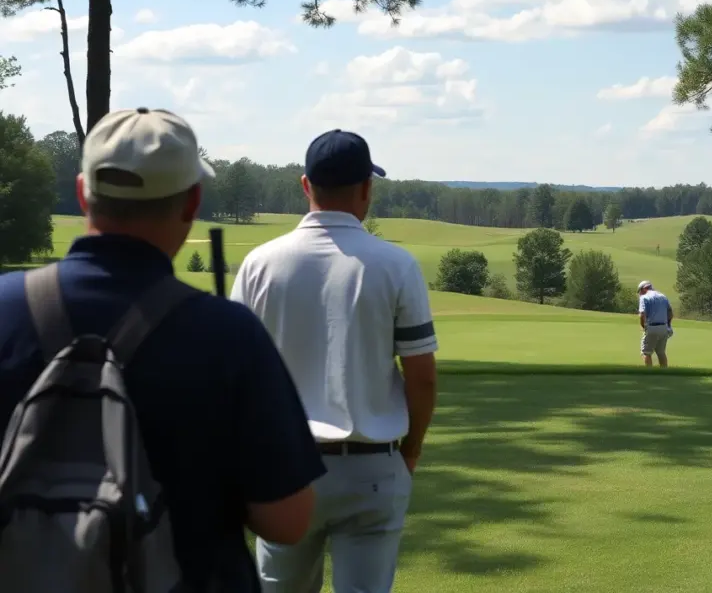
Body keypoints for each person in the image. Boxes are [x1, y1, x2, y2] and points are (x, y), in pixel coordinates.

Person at [0, 108, 326, 591]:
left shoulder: (6, 311)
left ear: (82, 193)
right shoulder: (229, 335)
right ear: (192, 200)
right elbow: (287, 520)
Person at [231, 129, 439, 593]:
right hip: (371, 467)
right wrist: (411, 450)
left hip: (285, 466)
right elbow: (421, 378)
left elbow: (236, 378)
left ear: (306, 186)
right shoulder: (396, 264)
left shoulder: (259, 264)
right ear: (367, 188)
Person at [637, 280, 673, 367]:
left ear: (644, 289)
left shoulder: (644, 298)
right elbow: (670, 313)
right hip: (664, 328)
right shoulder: (663, 296)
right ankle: (664, 373)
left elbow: (642, 315)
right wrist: (668, 325)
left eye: (640, 291)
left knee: (646, 352)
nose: (640, 294)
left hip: (652, 327)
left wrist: (644, 326)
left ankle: (649, 374)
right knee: (661, 352)